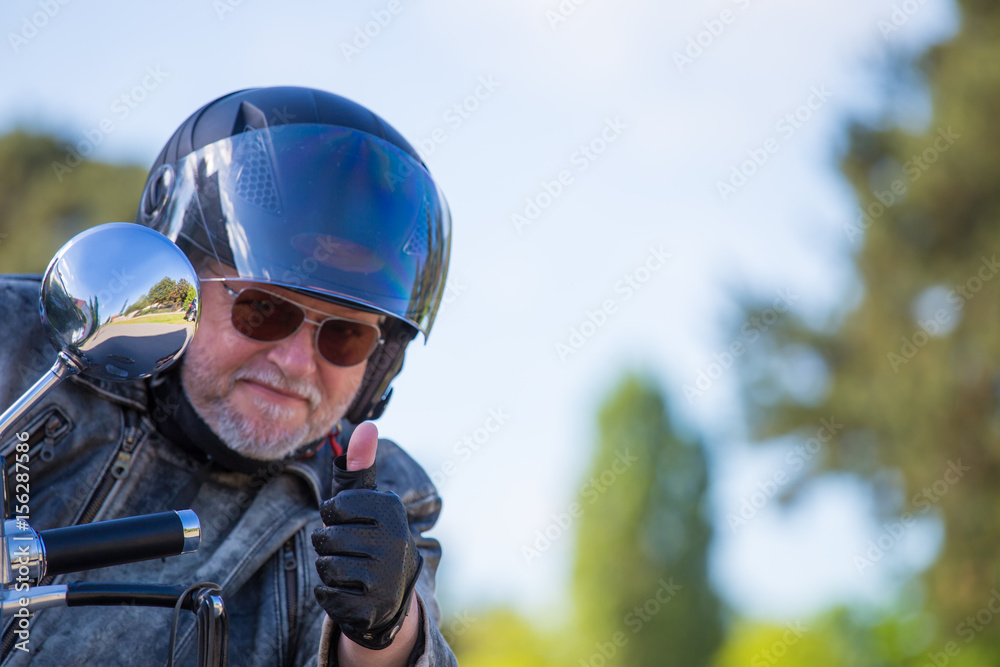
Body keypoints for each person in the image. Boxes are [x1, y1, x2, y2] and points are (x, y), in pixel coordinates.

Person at [0, 86, 457, 666]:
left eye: (345, 336)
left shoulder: (376, 497)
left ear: (381, 360)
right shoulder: (20, 345)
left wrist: (386, 627)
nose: (294, 363)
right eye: (262, 310)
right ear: (177, 283)